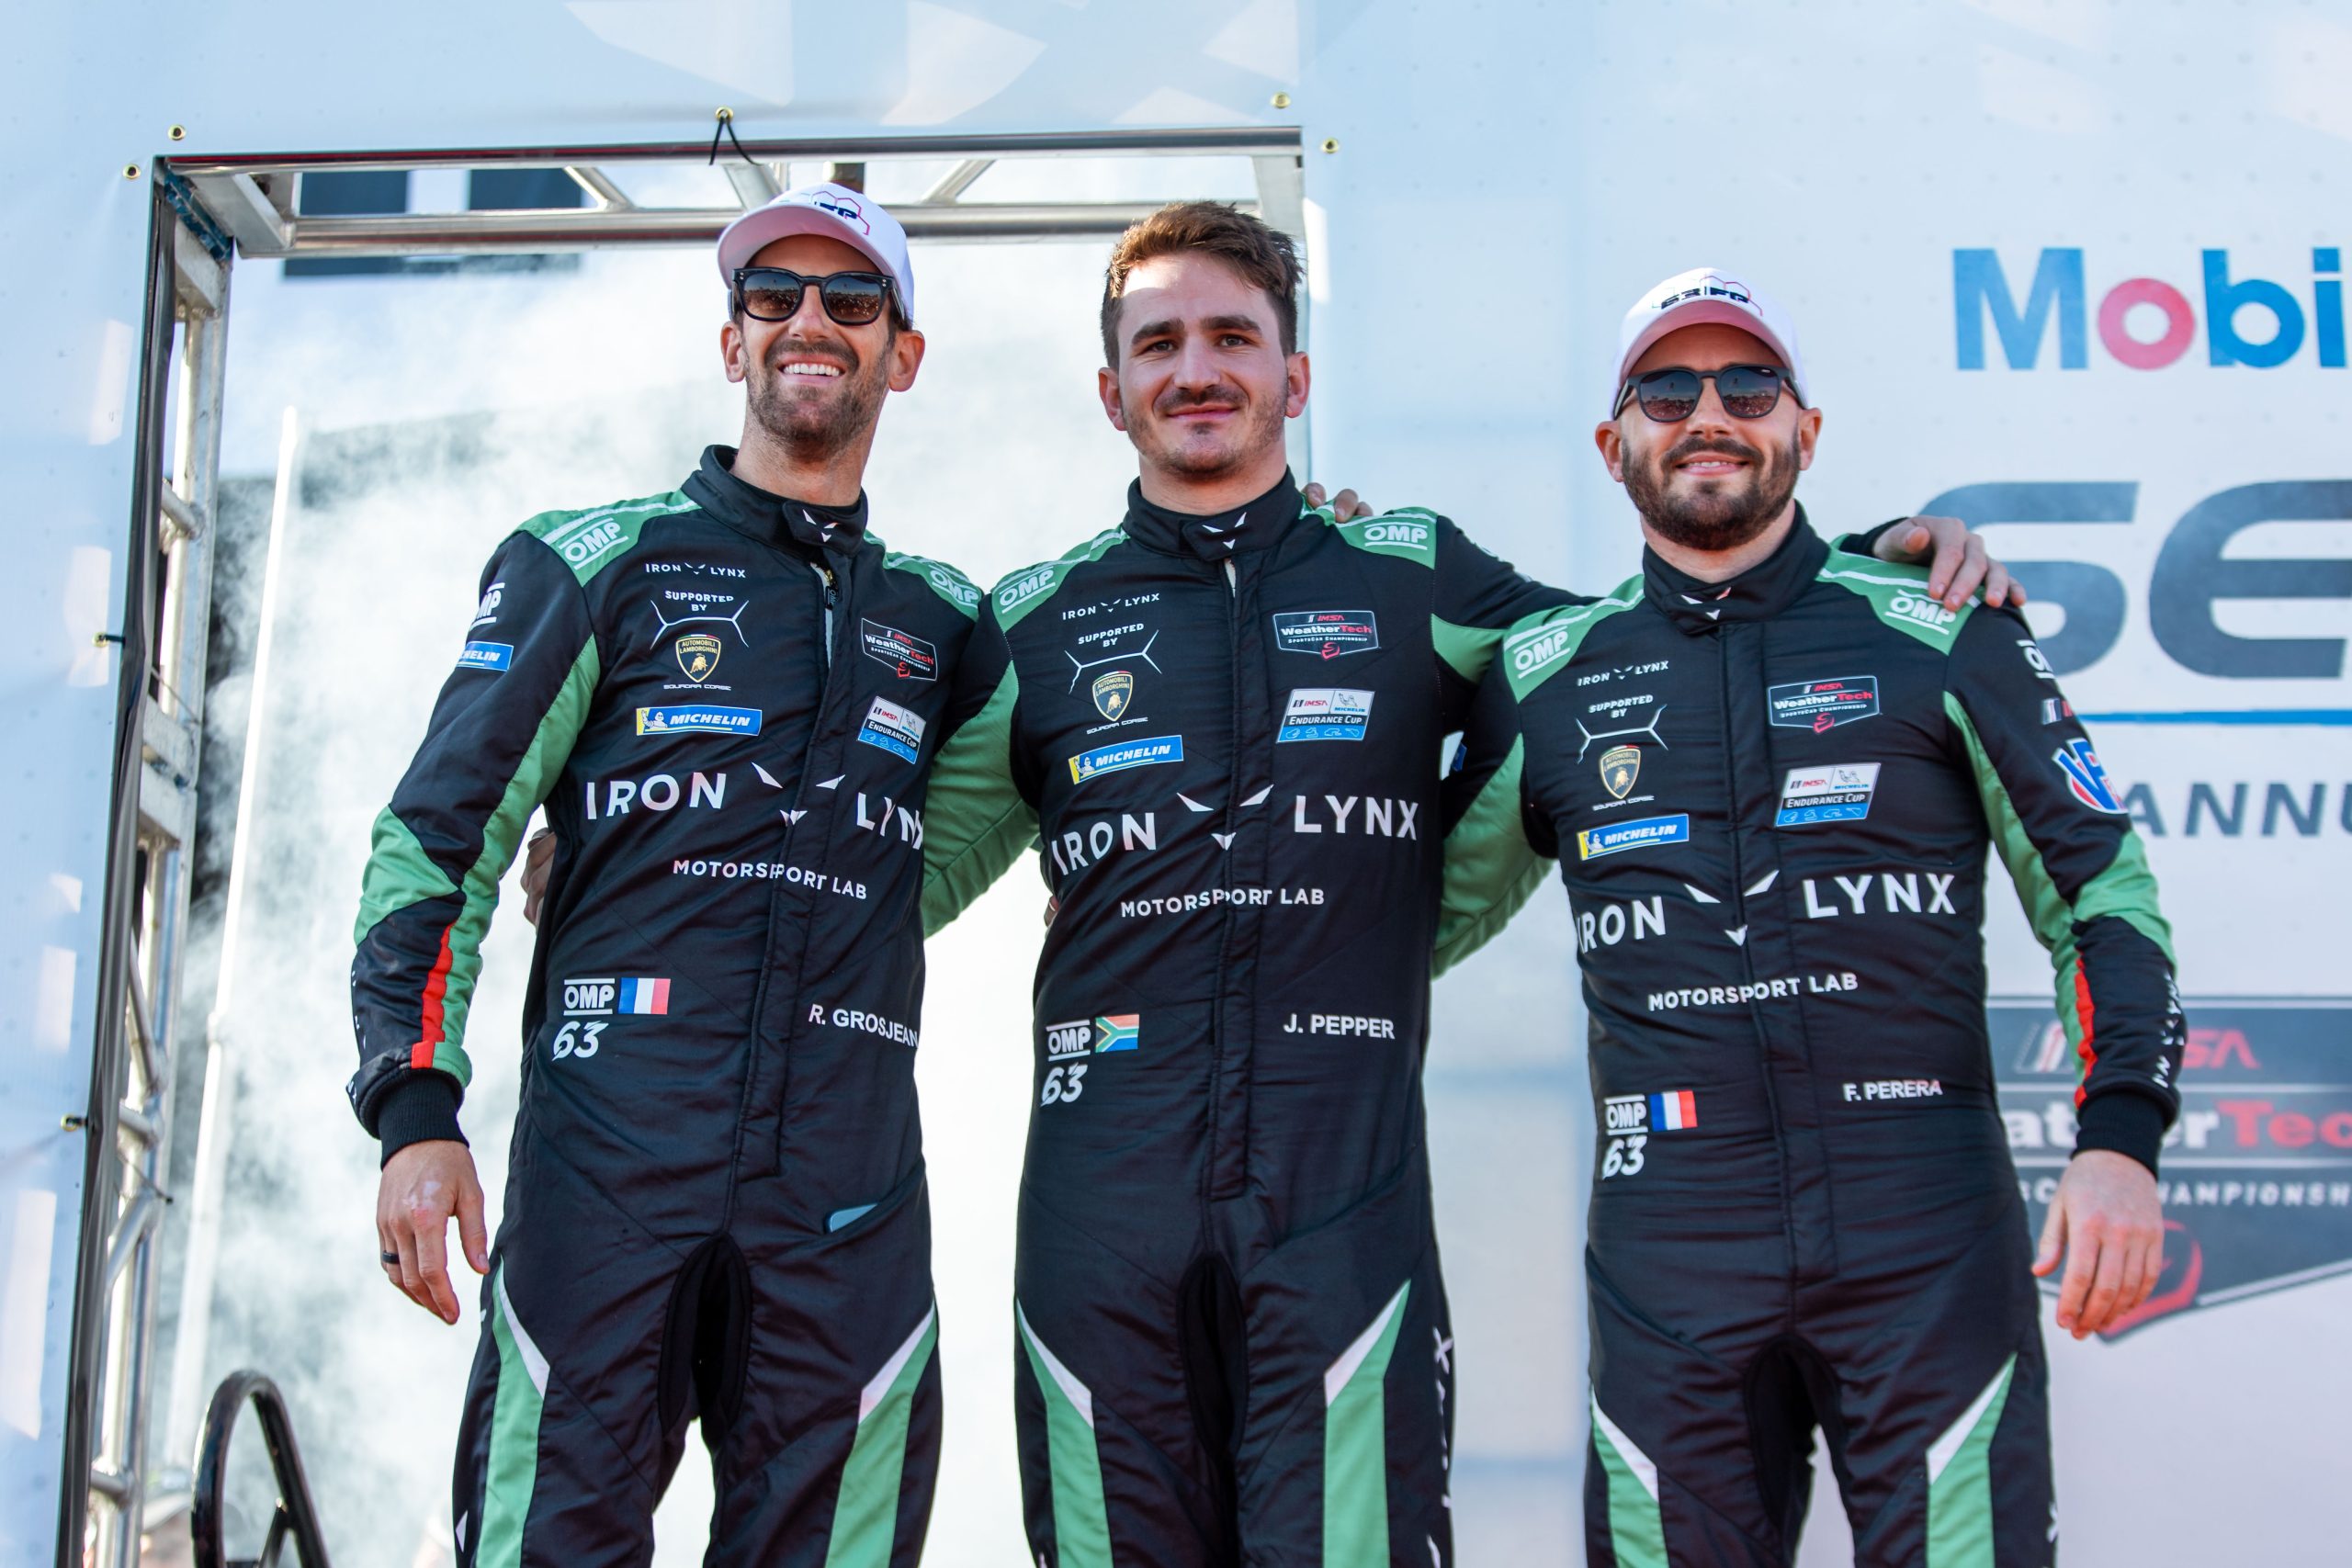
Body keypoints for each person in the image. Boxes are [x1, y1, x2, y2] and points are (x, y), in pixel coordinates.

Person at [916, 212, 2010, 1566]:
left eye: (1232, 339)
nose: (1197, 370)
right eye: (1161, 344)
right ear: (1113, 389)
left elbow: (1668, 632)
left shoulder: (1413, 571)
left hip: (1340, 1202)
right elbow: (875, 872)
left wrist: (1869, 553)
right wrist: (616, 860)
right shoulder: (1037, 616)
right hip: (1102, 1202)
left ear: (1293, 379)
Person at [1440, 267, 2183, 1566]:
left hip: (1925, 1232)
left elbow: (2103, 898)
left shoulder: (1942, 624)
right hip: (1672, 1246)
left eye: (1749, 384)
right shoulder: (1550, 676)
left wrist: (2121, 1137)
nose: (1709, 412)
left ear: (1807, 429)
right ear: (1615, 446)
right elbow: (1405, 918)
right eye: (1666, 389)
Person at [349, 183, 980, 1565]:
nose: (809, 320)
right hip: (610, 1168)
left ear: (903, 352)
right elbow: (433, 844)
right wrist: (413, 1108)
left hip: (848, 1203)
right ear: (733, 338)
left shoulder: (949, 621)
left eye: (851, 298)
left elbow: (1107, 760)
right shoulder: (593, 564)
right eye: (773, 295)